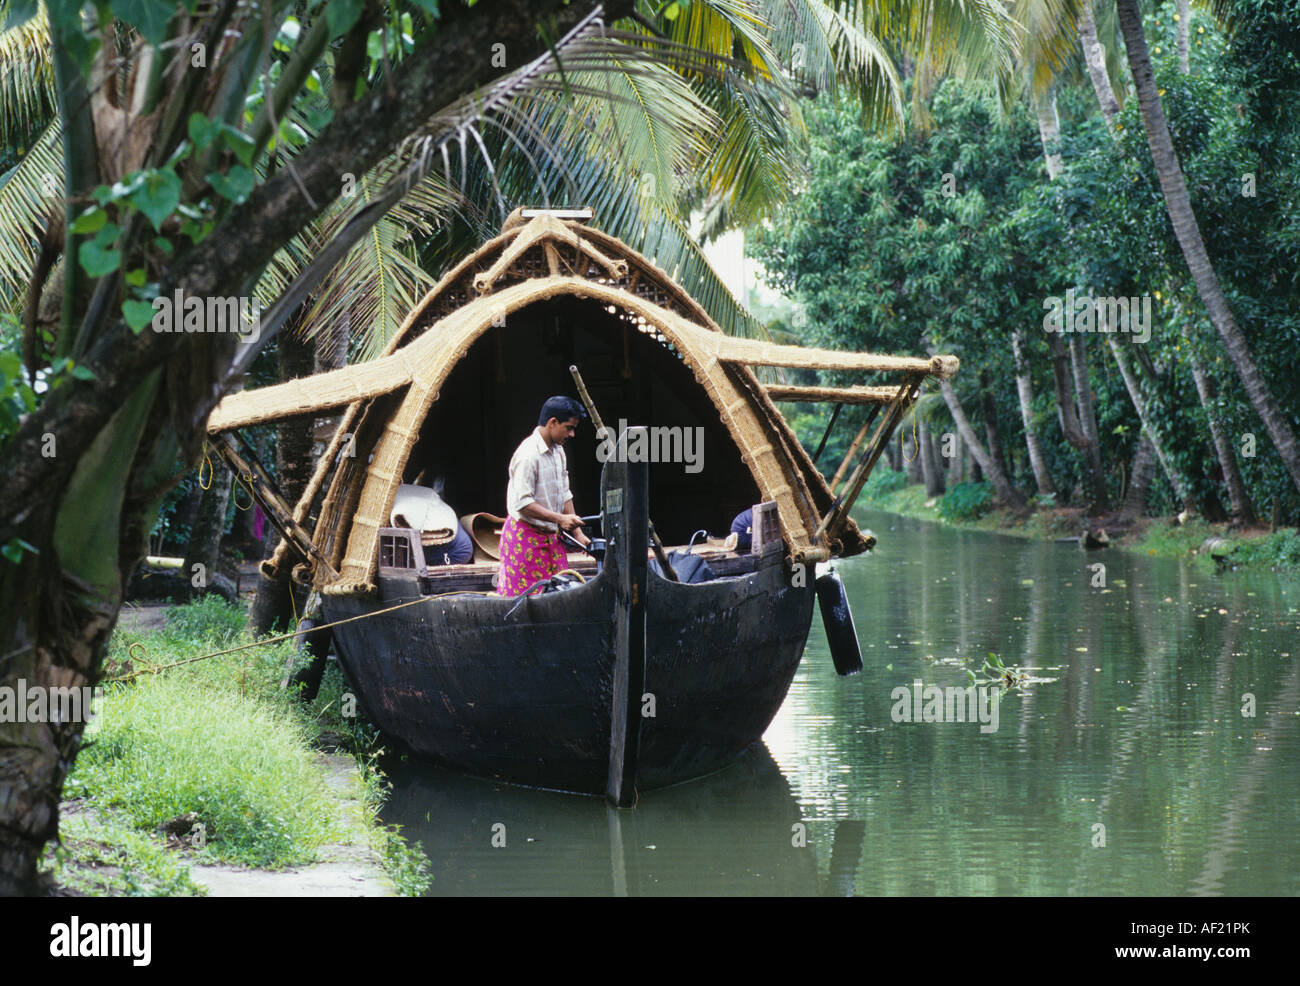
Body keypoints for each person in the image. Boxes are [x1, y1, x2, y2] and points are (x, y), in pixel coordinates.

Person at [497, 396, 591, 596]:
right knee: (526, 602)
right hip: (525, 539)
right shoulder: (528, 454)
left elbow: (564, 492)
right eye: (569, 428)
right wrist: (560, 519)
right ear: (552, 423)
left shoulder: (559, 451)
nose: (572, 434)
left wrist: (577, 533)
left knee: (557, 595)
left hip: (551, 539)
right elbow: (522, 503)